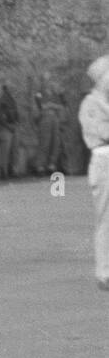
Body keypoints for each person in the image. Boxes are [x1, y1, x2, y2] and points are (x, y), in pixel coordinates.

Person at [77, 55, 109, 290]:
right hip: (104, 161)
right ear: (101, 79)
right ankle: (104, 271)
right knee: (106, 218)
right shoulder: (90, 103)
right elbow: (100, 130)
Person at [36, 88, 68, 174]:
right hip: (46, 118)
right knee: (45, 142)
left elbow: (62, 106)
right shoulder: (40, 92)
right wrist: (52, 106)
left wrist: (51, 105)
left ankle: (51, 165)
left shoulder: (56, 94)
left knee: (55, 142)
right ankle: (40, 166)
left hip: (55, 118)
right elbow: (41, 106)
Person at [0, 84, 20, 179]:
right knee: (5, 150)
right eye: (10, 88)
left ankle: (13, 170)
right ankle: (3, 172)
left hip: (14, 126)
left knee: (15, 150)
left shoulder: (12, 100)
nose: (12, 90)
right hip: (4, 127)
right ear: (5, 89)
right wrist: (8, 126)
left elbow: (16, 113)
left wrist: (16, 123)